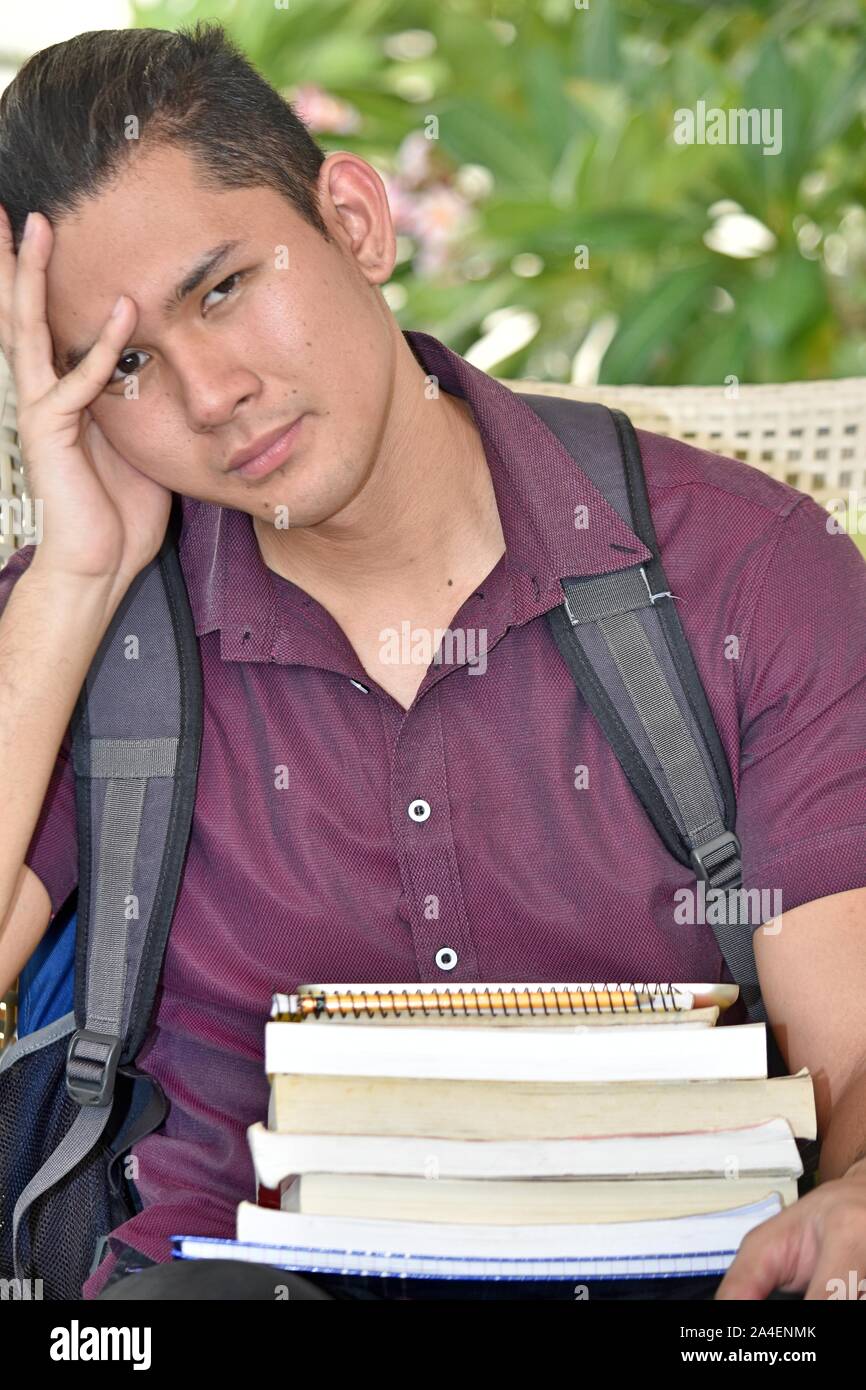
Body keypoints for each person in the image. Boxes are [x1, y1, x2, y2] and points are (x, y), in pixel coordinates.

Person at [0, 22, 864, 1303]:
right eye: (122, 363)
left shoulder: (744, 567)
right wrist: (69, 582)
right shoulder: (89, 627)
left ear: (354, 216)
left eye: (223, 287)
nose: (208, 392)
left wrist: (850, 1197)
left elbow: (846, 1063)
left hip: (694, 1285)